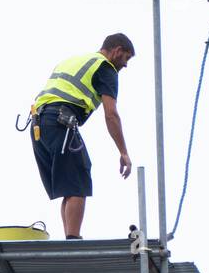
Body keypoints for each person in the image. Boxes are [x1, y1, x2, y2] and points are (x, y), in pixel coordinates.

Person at [29, 34, 134, 238]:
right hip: (61, 122)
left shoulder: (74, 60)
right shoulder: (106, 68)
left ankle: (70, 237)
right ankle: (73, 240)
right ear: (117, 50)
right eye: (126, 59)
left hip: (38, 126)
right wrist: (123, 152)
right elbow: (111, 115)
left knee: (69, 185)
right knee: (78, 179)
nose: (126, 65)